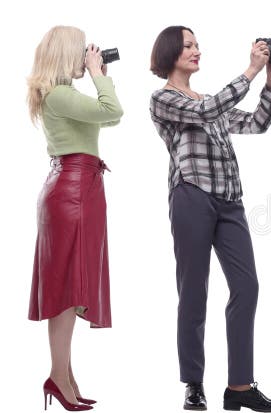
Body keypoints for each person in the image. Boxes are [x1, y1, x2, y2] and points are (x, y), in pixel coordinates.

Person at [149, 25, 271, 412]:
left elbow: (256, 123)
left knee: (247, 287)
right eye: (188, 45)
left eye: (197, 45)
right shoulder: (163, 99)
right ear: (170, 53)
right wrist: (250, 70)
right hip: (191, 195)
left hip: (230, 201)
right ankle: (194, 384)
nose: (197, 50)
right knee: (194, 292)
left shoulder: (212, 99)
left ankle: (239, 386)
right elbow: (206, 112)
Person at [27, 25, 124, 411]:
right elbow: (114, 110)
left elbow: (109, 118)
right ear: (68, 54)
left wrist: (102, 76)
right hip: (73, 193)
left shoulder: (64, 96)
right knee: (66, 290)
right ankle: (58, 375)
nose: (89, 54)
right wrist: (99, 75)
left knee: (69, 287)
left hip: (76, 189)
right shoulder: (60, 95)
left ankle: (63, 374)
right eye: (82, 50)